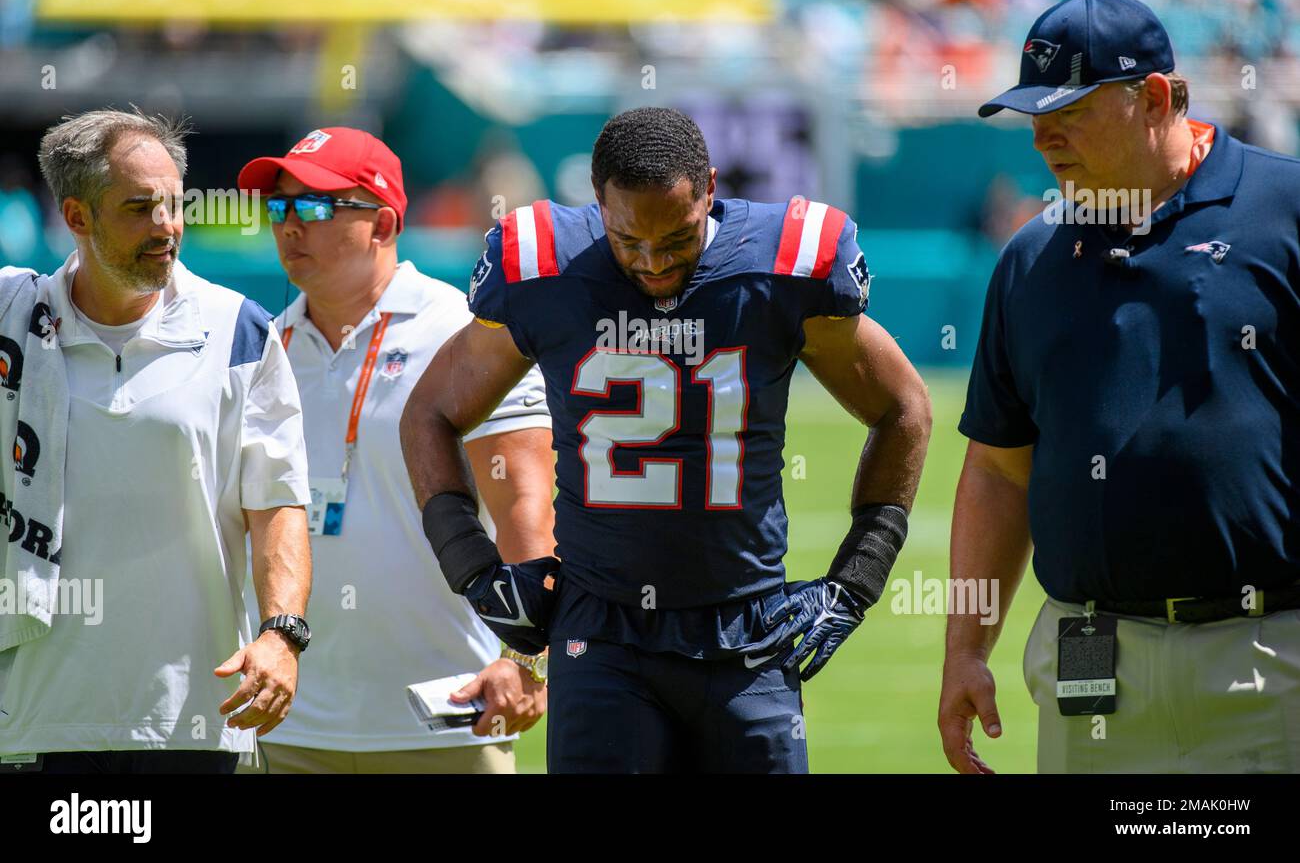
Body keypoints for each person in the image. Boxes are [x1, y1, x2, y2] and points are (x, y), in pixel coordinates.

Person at [400, 107, 932, 773]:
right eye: (629, 241)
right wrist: (475, 571)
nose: (653, 264)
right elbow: (430, 412)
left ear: (710, 189)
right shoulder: (544, 269)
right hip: (600, 636)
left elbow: (904, 406)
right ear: (597, 203)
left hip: (749, 634)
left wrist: (856, 581)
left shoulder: (781, 267)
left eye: (677, 239)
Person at [940, 0, 1300, 774]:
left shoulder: (1286, 210)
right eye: (1033, 112)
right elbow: (1000, 472)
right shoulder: (1030, 257)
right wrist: (966, 649)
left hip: (1269, 652)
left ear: (1157, 98)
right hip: (1087, 650)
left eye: (1069, 110)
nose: (1041, 136)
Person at [0, 108, 312, 773]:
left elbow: (278, 502)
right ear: (78, 218)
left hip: (192, 719)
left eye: (173, 205)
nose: (166, 226)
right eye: (140, 208)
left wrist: (282, 633)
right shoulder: (11, 319)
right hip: (33, 714)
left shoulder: (239, 331)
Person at [236, 128, 556, 774]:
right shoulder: (263, 345)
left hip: (448, 719)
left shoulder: (464, 331)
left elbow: (526, 497)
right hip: (291, 719)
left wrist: (525, 657)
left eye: (316, 206)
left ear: (382, 222)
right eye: (279, 207)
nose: (290, 225)